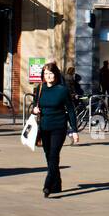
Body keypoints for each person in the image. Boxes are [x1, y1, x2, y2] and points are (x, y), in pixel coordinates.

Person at [32, 61, 79, 197]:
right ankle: (57, 184)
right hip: (44, 127)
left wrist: (74, 130)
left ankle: (47, 185)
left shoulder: (62, 90)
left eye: (50, 73)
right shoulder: (40, 89)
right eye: (46, 73)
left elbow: (70, 111)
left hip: (59, 127)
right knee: (49, 157)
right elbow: (35, 107)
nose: (48, 76)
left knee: (53, 155)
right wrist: (35, 110)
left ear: (56, 74)